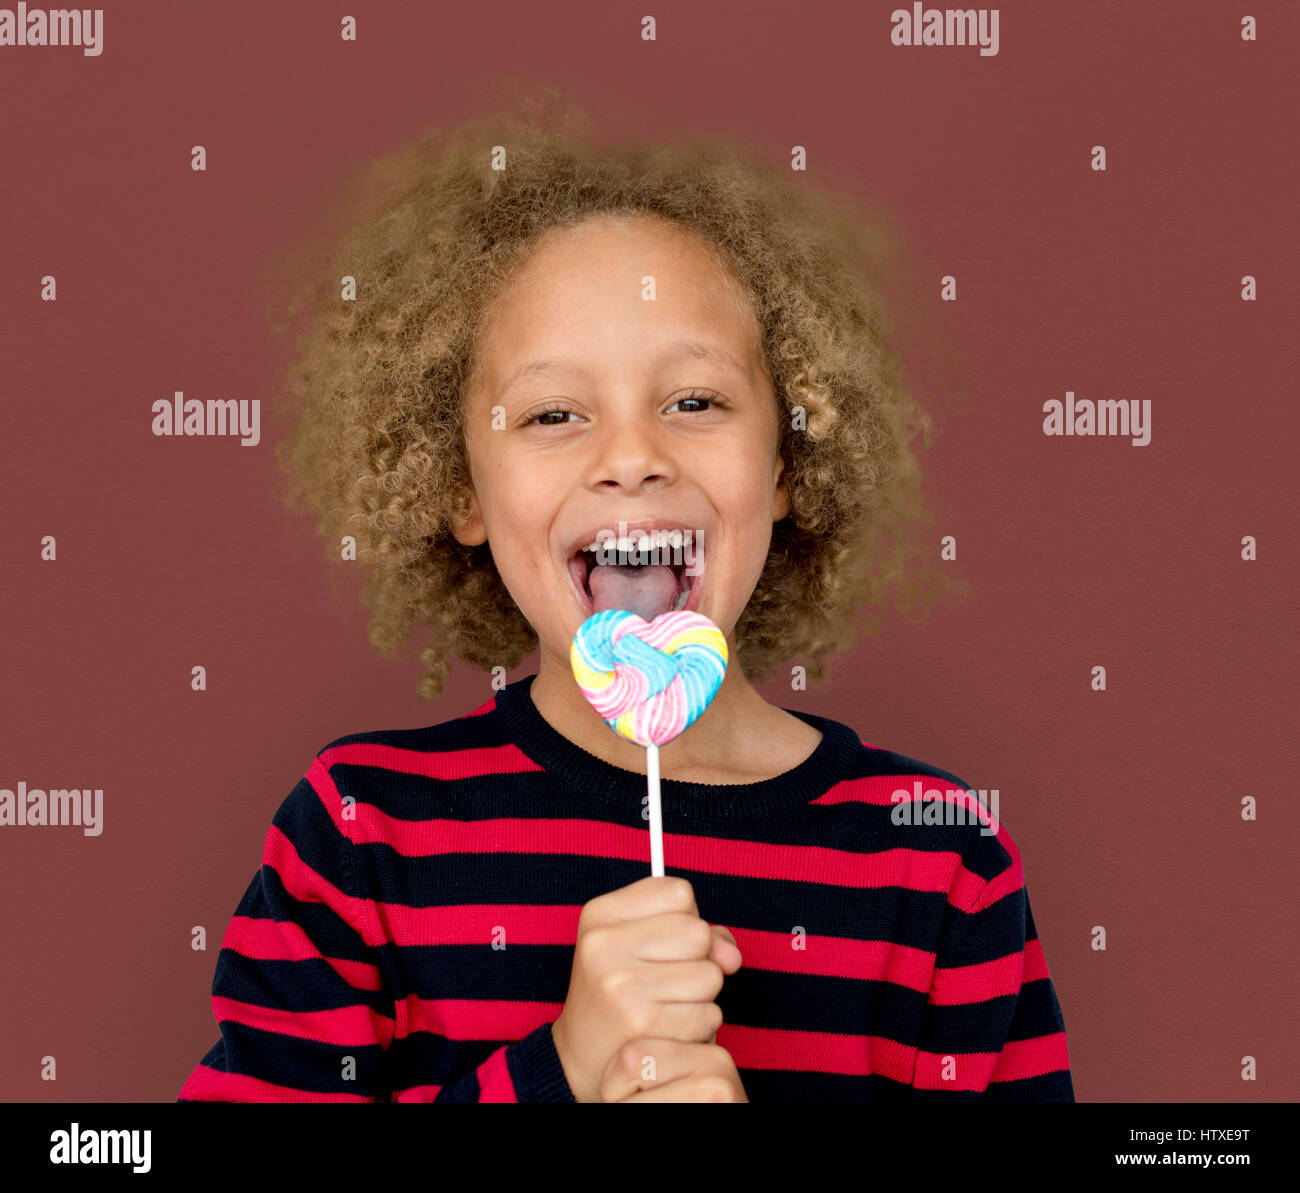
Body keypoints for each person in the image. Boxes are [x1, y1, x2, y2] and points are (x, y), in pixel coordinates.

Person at [179, 90, 1073, 1103]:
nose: (633, 457)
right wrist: (560, 1069)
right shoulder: (361, 833)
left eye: (694, 401)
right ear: (460, 486)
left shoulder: (937, 854)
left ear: (784, 460)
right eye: (554, 412)